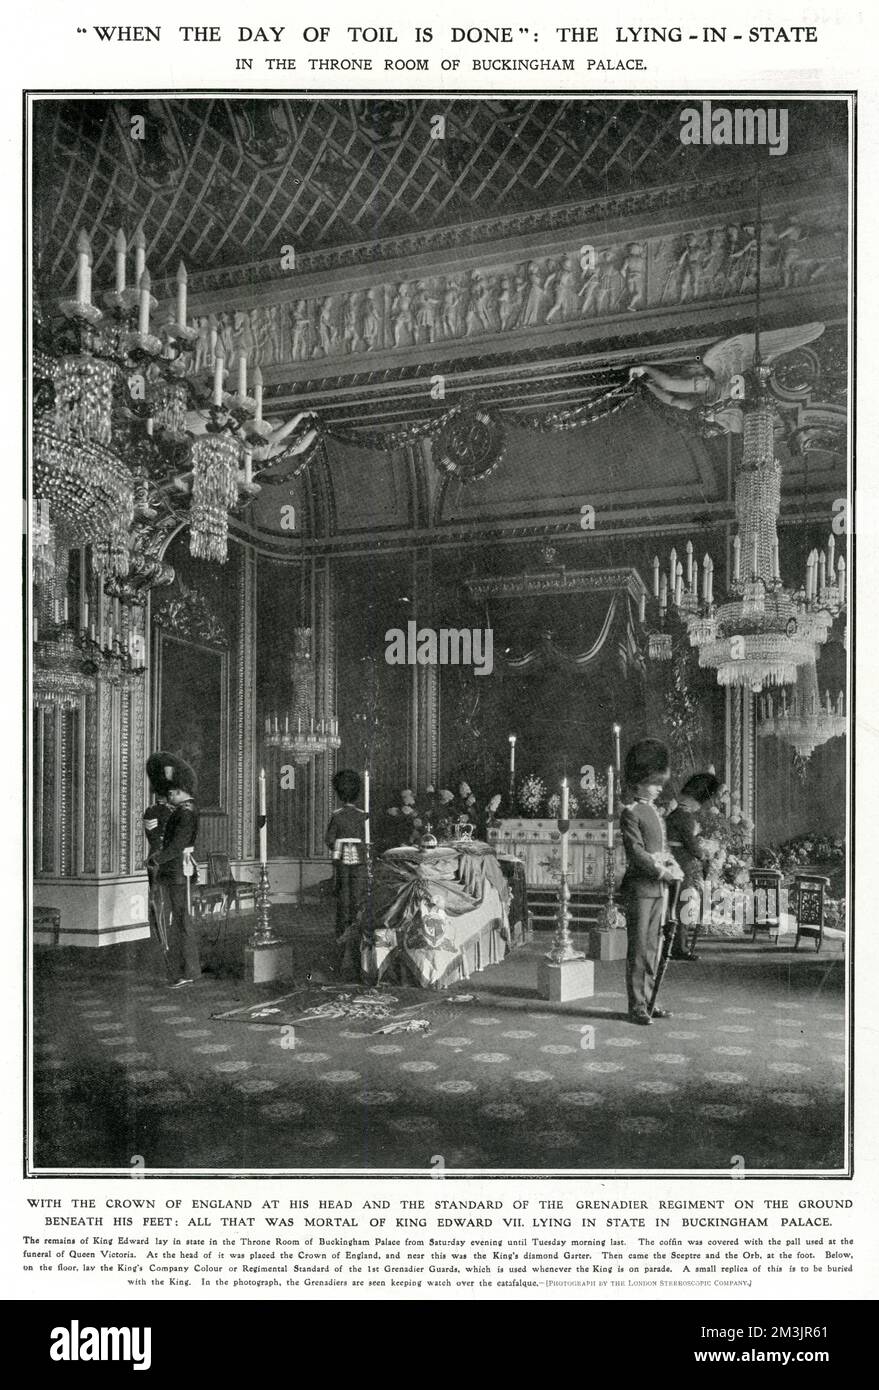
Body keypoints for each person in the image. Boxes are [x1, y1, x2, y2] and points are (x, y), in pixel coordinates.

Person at [619, 739, 682, 1026]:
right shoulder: (630, 812)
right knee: (639, 950)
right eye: (654, 783)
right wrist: (662, 872)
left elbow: (661, 849)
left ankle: (649, 1000)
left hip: (660, 889)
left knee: (654, 947)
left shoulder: (655, 812)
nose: (659, 787)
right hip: (641, 888)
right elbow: (637, 853)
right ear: (639, 782)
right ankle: (636, 1006)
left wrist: (672, 867)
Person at [148, 756, 200, 989]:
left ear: (180, 791)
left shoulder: (185, 812)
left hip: (178, 873)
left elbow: (177, 845)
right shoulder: (184, 810)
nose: (168, 797)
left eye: (172, 793)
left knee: (179, 923)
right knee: (179, 922)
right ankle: (187, 971)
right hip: (176, 872)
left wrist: (157, 858)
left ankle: (185, 972)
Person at [666, 772, 722, 961]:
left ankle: (671, 945)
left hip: (673, 864)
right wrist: (705, 853)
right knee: (684, 907)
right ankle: (679, 948)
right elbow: (692, 846)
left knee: (673, 907)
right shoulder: (686, 817)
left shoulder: (674, 814)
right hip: (684, 866)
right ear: (696, 801)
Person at [325, 769, 369, 942]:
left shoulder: (337, 816)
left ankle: (342, 931)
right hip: (360, 858)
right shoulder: (362, 815)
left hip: (342, 858)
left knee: (343, 894)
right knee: (358, 894)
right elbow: (367, 839)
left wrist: (339, 847)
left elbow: (329, 839)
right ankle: (357, 929)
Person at [143, 753, 174, 962]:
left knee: (167, 901)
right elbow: (154, 838)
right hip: (158, 859)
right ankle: (163, 941)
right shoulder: (152, 811)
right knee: (158, 901)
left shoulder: (175, 810)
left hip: (170, 859)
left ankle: (167, 940)